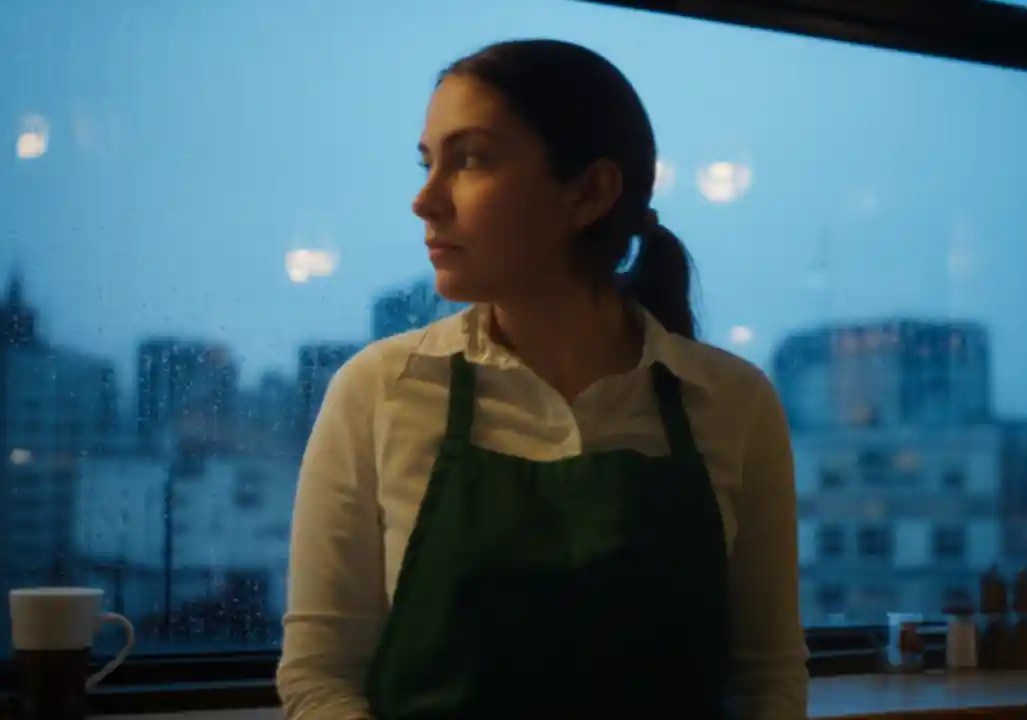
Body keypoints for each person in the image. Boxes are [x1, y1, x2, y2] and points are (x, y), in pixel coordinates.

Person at [277, 38, 808, 719]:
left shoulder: (733, 402)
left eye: (471, 159)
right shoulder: (382, 388)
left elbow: (768, 681)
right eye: (428, 163)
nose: (424, 201)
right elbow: (320, 679)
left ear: (589, 192)